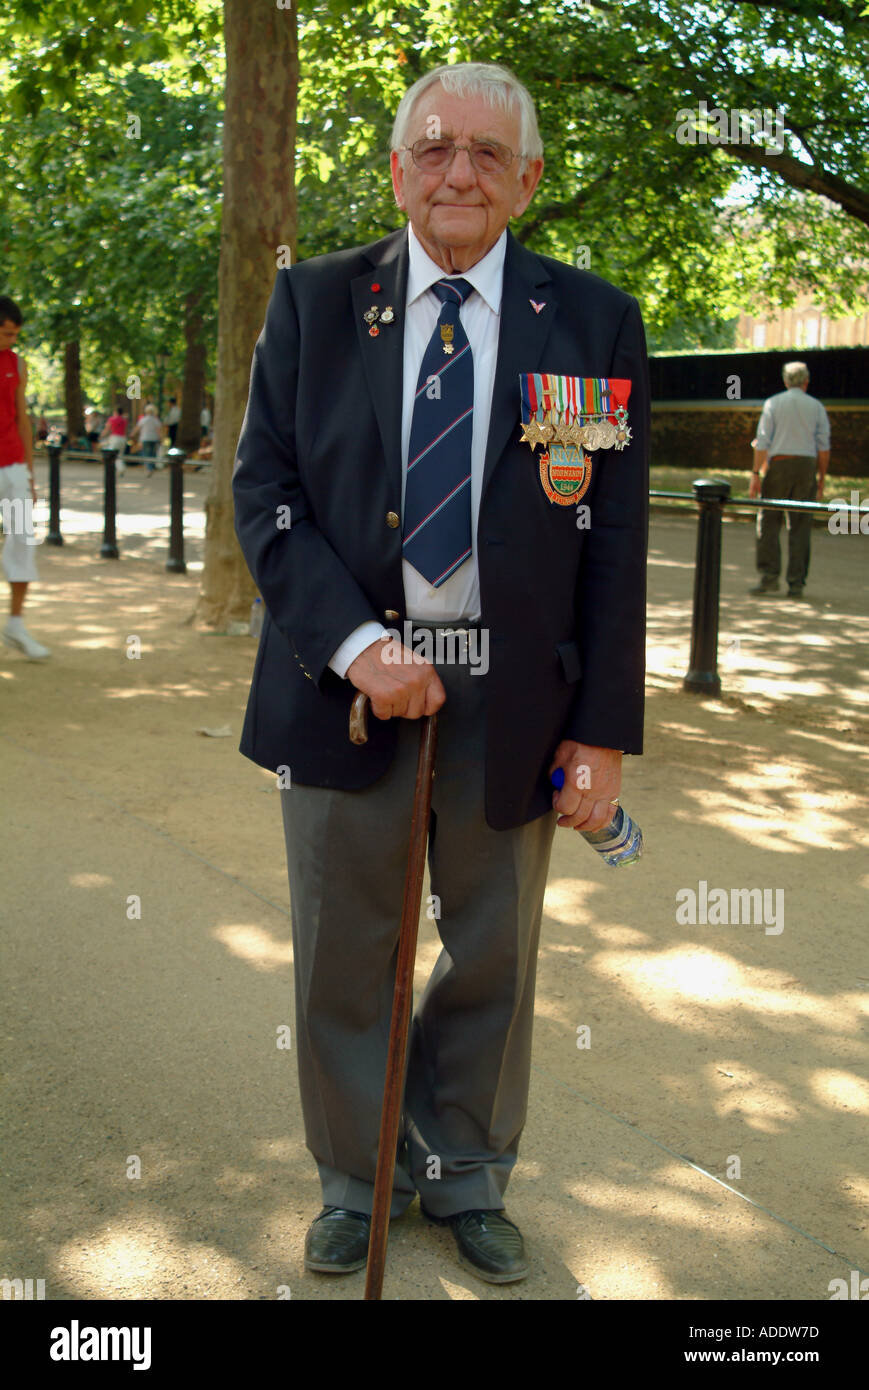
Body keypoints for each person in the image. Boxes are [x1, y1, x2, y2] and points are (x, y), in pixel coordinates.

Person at [232, 61, 649, 1286]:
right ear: (399, 167)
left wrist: (602, 730)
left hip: (517, 696)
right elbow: (266, 494)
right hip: (345, 687)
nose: (455, 171)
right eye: (432, 148)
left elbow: (613, 543)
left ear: (526, 177)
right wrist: (359, 647)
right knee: (344, 944)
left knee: (493, 950)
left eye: (484, 153)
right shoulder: (312, 303)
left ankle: (463, 1171)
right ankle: (359, 1178)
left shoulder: (592, 318)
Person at [748, 361, 831, 599]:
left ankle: (769, 577)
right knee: (801, 526)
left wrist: (755, 474)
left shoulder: (773, 403)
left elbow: (762, 441)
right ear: (806, 382)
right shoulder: (817, 407)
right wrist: (822, 477)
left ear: (785, 381)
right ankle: (796, 584)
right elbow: (823, 447)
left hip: (779, 464)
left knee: (768, 523)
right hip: (806, 466)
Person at [0, 296, 50, 660]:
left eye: (16, 334)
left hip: (13, 467)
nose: (11, 340)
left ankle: (15, 624)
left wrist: (30, 477)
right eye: (6, 333)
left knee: (21, 539)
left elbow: (22, 419)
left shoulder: (16, 363)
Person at [129, 403, 164, 475]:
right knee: (152, 453)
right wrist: (161, 438)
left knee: (146, 454)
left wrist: (132, 434)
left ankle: (149, 468)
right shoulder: (155, 420)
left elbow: (137, 428)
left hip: (145, 438)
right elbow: (158, 430)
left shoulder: (143, 420)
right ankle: (151, 467)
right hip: (154, 438)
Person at [99, 403, 129, 474]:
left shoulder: (112, 419)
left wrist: (101, 435)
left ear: (115, 412)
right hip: (122, 438)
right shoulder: (124, 420)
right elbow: (125, 430)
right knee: (120, 454)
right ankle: (121, 468)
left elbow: (107, 429)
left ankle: (119, 469)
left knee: (112, 454)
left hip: (115, 438)